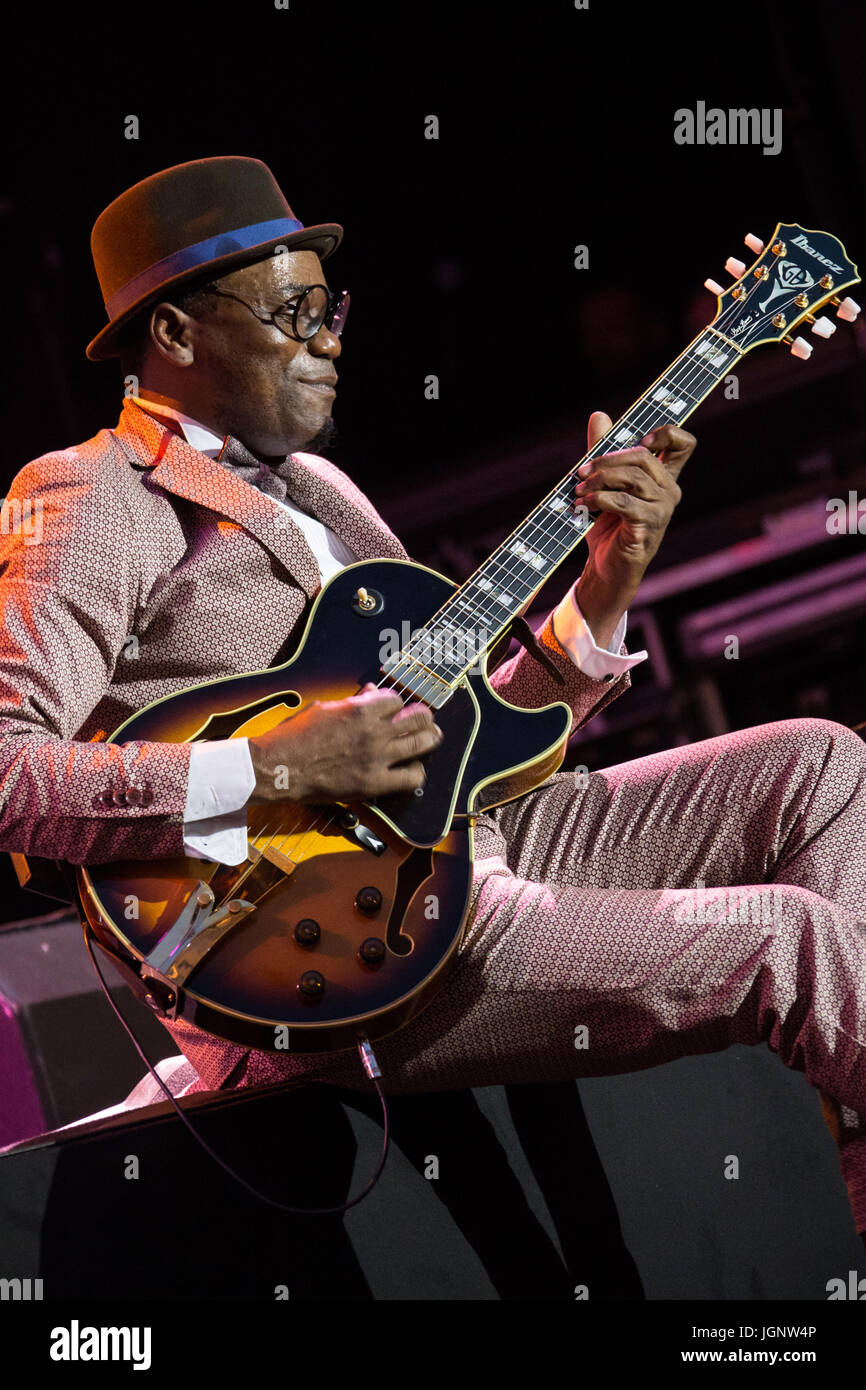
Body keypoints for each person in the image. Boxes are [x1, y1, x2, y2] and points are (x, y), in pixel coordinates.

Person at [1, 157, 865, 1251]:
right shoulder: (89, 495)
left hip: (466, 844)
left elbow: (459, 744)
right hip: (325, 940)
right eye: (294, 307)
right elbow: (7, 772)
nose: (329, 333)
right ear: (176, 334)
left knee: (820, 764)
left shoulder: (325, 492)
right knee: (785, 940)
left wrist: (605, 576)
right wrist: (277, 771)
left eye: (332, 304)